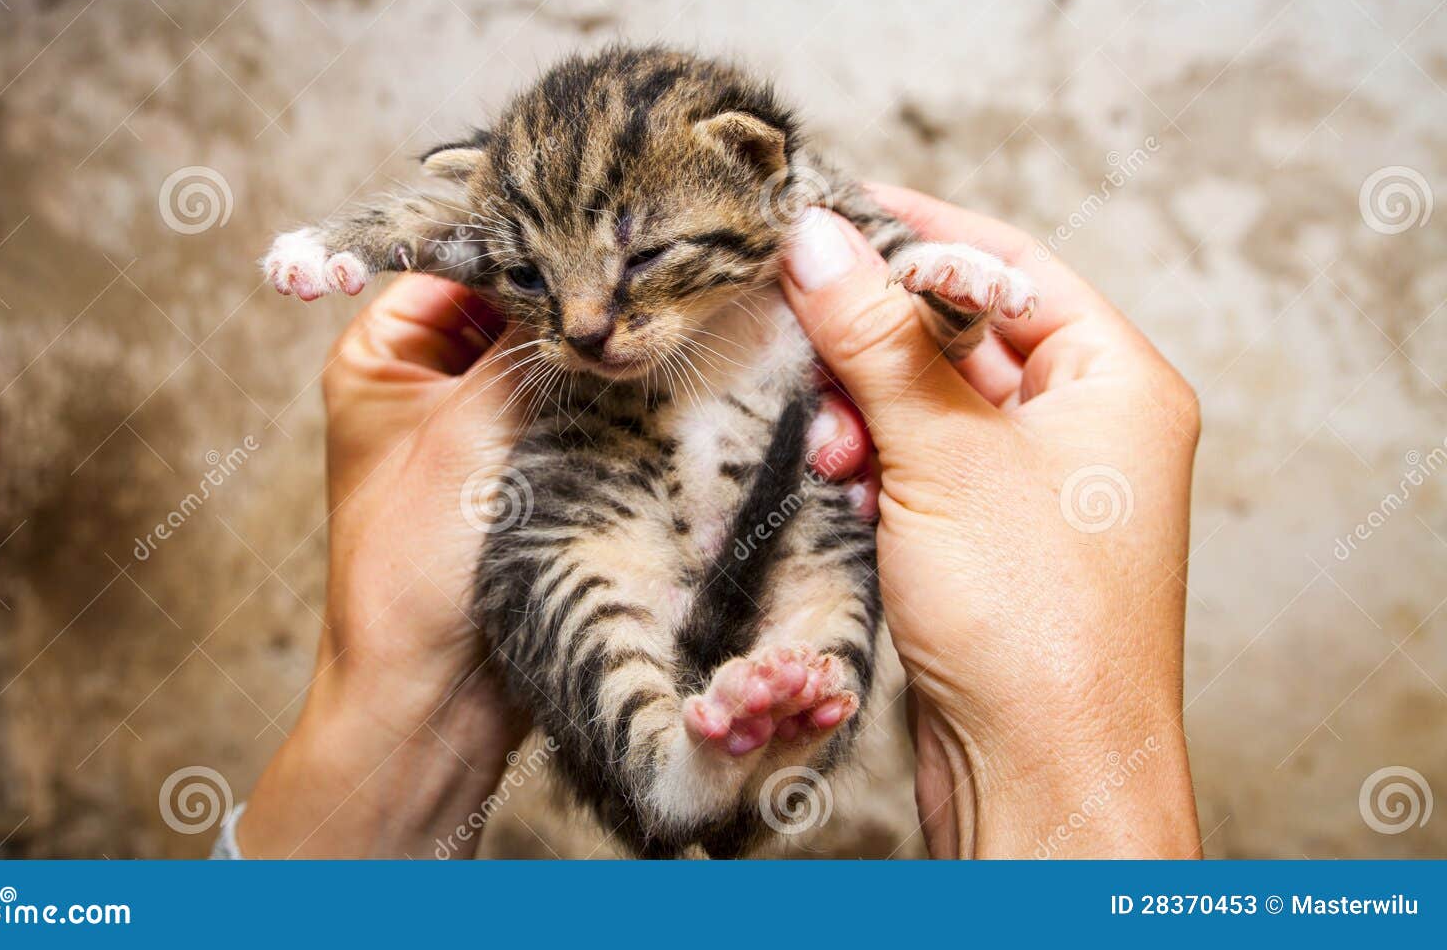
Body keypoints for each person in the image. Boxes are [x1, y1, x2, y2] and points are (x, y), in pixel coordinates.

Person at [232, 186, 1203, 859]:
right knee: (569, 565)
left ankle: (750, 750)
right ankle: (676, 768)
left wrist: (939, 299)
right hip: (620, 502)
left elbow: (910, 322)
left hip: (777, 520)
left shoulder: (794, 214)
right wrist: (364, 237)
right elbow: (447, 215)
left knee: (827, 592)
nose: (587, 325)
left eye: (641, 257)